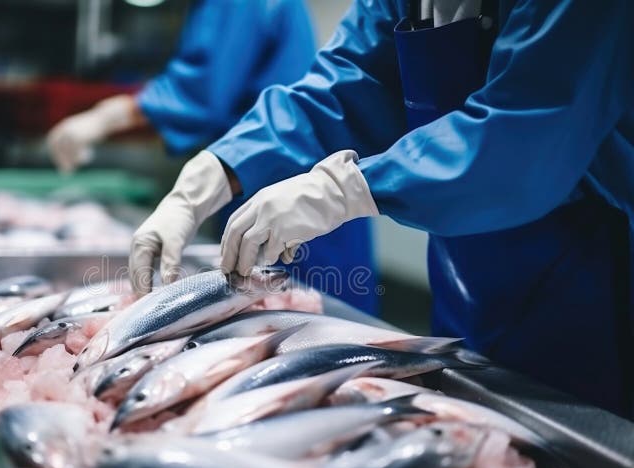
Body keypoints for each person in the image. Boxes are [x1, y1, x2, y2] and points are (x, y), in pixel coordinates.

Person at [130, 0, 634, 416]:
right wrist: (216, 171)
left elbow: (526, 133)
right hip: (474, 282)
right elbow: (343, 85)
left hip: (596, 282)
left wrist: (344, 189)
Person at [49, 0, 381, 314]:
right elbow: (311, 105)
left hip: (299, 198)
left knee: (317, 328)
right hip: (255, 173)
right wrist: (211, 175)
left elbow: (202, 89)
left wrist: (109, 116)